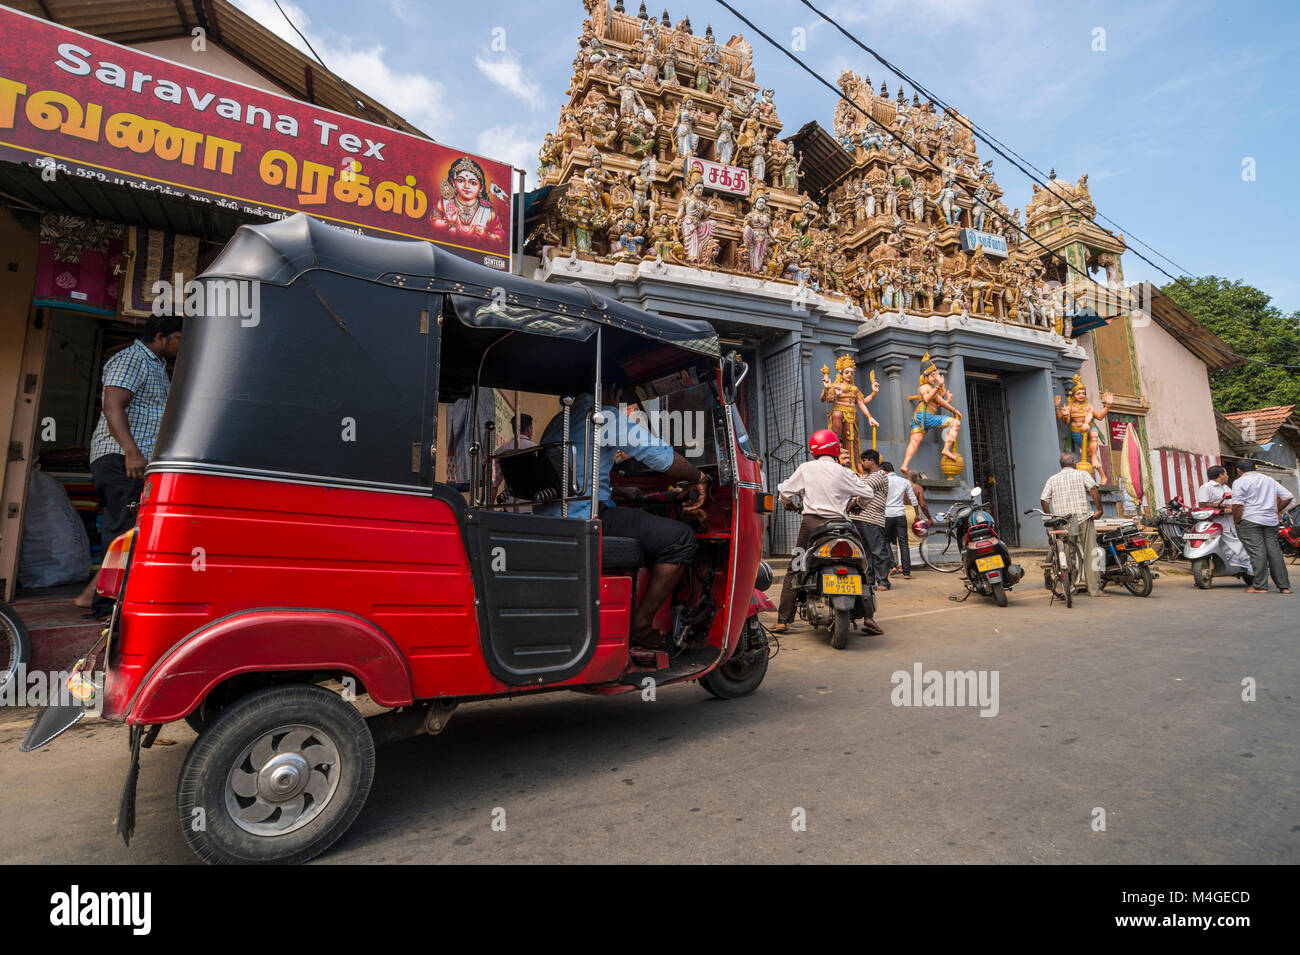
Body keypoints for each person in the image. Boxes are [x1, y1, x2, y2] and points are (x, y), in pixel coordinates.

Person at [538, 389, 708, 646]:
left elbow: (575, 477)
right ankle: (641, 625)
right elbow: (658, 455)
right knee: (681, 538)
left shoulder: (559, 420)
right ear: (611, 388)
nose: (620, 400)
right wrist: (698, 477)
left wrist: (618, 490)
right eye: (620, 394)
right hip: (587, 519)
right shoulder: (602, 415)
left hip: (556, 519)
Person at [75, 315, 182, 617]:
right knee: (123, 531)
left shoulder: (156, 366)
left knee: (129, 529)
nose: (181, 346)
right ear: (161, 337)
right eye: (179, 339)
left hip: (133, 461)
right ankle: (105, 605)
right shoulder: (133, 358)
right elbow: (113, 405)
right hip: (120, 459)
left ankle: (93, 596)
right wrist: (131, 452)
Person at [772, 429, 881, 635]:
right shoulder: (844, 471)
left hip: (811, 525)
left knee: (795, 567)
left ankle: (783, 620)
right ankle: (869, 617)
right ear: (834, 450)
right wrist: (857, 504)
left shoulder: (807, 468)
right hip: (842, 525)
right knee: (861, 564)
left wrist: (785, 503)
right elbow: (868, 492)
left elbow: (785, 492)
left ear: (814, 449)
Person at [1040, 452, 1106, 598]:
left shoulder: (1053, 479)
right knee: (1091, 552)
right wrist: (1099, 509)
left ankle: (1070, 587)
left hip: (1064, 521)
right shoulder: (1082, 474)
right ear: (1073, 463)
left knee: (1067, 553)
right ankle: (1094, 590)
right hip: (1083, 517)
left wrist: (1050, 516)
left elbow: (1044, 499)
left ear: (1061, 466)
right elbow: (1093, 489)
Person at [1230, 460, 1293, 595]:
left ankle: (1260, 586)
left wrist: (1237, 521)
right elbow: (1288, 496)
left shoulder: (1239, 482)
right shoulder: (1268, 479)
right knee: (1274, 552)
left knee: (1257, 553)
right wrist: (1276, 511)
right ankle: (1284, 587)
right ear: (1254, 468)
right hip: (1270, 521)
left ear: (1239, 470)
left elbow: (1237, 505)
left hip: (1250, 519)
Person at [854, 449, 895, 590]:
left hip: (872, 519)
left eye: (864, 460)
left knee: (877, 551)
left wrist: (854, 502)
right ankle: (869, 581)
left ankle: (883, 581)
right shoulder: (865, 475)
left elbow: (860, 488)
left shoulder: (880, 475)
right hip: (859, 518)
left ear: (872, 461)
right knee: (864, 552)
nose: (862, 463)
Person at [881, 462, 918, 579]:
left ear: (884, 471)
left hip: (886, 514)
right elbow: (913, 500)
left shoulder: (882, 481)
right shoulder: (905, 481)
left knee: (885, 540)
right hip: (900, 514)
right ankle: (906, 572)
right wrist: (917, 514)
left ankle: (892, 565)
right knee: (903, 543)